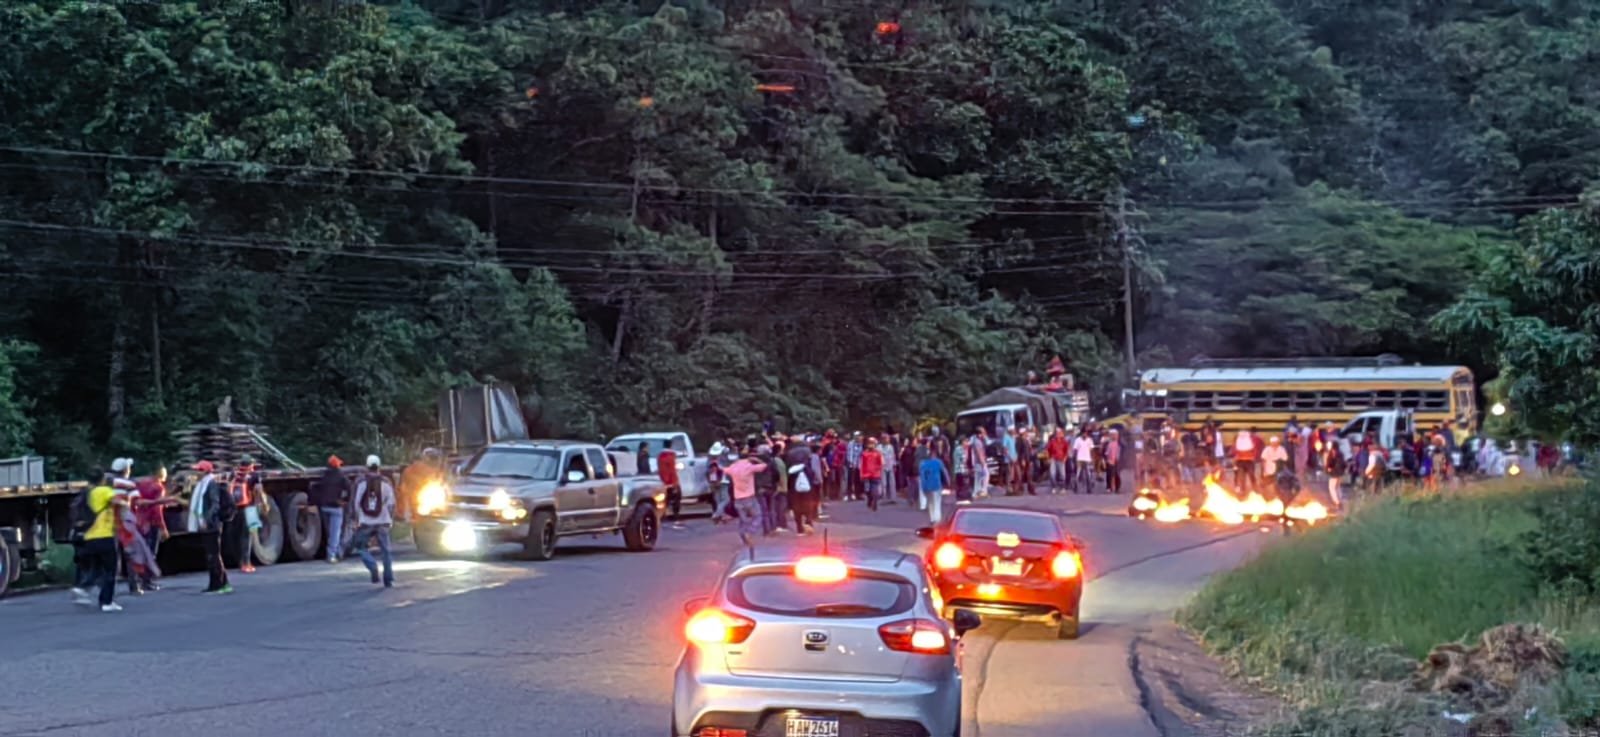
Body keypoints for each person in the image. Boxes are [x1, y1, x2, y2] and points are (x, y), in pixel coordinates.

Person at [80, 471, 130, 612]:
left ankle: (83, 588)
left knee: (96, 568)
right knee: (110, 570)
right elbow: (117, 501)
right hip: (104, 535)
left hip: (89, 535)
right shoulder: (104, 490)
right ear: (102, 479)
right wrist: (125, 504)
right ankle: (106, 601)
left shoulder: (89, 493)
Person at [350, 455, 396, 588]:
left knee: (361, 547)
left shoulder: (361, 483)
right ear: (379, 467)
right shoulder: (386, 483)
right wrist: (390, 518)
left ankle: (372, 566)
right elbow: (391, 503)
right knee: (386, 551)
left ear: (367, 467)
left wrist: (356, 519)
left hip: (366, 522)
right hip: (383, 522)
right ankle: (388, 579)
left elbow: (356, 503)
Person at [128, 466, 173, 594]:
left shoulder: (142, 484)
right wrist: (163, 527)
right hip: (151, 523)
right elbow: (157, 509)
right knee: (150, 553)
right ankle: (146, 581)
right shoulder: (158, 487)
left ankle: (134, 583)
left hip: (139, 521)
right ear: (161, 474)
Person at [723, 448, 769, 548]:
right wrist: (756, 460)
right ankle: (750, 532)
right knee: (758, 516)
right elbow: (764, 466)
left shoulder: (733, 468)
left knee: (743, 520)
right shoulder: (749, 467)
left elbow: (724, 470)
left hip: (738, 499)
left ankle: (744, 538)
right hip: (749, 497)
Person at [311, 456, 352, 563]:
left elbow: (314, 487)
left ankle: (338, 553)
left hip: (324, 507)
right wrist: (345, 500)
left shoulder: (324, 476)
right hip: (336, 507)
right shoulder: (341, 476)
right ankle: (332, 555)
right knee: (336, 533)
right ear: (337, 465)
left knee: (330, 532)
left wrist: (313, 502)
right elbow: (349, 488)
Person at [229, 456, 265, 573]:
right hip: (250, 508)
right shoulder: (254, 475)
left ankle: (240, 562)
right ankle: (246, 564)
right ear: (251, 464)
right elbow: (258, 490)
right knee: (247, 536)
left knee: (236, 535)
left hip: (235, 508)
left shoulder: (234, 474)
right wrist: (263, 504)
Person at [918, 448, 951, 525]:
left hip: (926, 486)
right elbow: (944, 471)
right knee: (937, 502)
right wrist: (948, 481)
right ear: (934, 455)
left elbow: (921, 475)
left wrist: (922, 487)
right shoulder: (938, 462)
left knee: (930, 502)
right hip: (936, 485)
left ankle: (932, 518)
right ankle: (937, 519)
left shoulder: (922, 463)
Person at [658, 447, 684, 529]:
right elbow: (672, 472)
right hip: (672, 483)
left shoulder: (660, 458)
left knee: (665, 501)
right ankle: (676, 517)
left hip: (663, 483)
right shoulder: (671, 457)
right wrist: (674, 483)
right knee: (676, 500)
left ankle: (662, 517)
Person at [860, 437, 886, 511]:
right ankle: (870, 499)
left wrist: (879, 468)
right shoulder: (864, 454)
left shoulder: (878, 453)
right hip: (866, 474)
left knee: (874, 490)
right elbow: (862, 465)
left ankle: (874, 502)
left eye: (872, 444)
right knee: (867, 490)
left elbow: (882, 463)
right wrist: (861, 474)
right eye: (870, 444)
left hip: (875, 474)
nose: (871, 445)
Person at [1234, 429, 1260, 493]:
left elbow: (1254, 450)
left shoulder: (1250, 441)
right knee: (1242, 476)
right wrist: (1235, 463)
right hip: (1240, 461)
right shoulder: (1238, 441)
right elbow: (1235, 452)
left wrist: (1253, 457)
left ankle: (1255, 489)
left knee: (1251, 475)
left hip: (1249, 461)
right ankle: (1243, 490)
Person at [1071, 429, 1095, 494]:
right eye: (1084, 433)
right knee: (1077, 474)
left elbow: (1092, 450)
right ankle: (1075, 487)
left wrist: (1092, 459)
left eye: (1086, 434)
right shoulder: (1077, 440)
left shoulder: (1089, 440)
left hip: (1087, 459)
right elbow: (1075, 450)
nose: (1085, 435)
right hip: (1079, 459)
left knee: (1088, 475)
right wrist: (1074, 459)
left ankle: (1089, 489)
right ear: (1081, 434)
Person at [1046, 428, 1070, 494]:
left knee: (1062, 474)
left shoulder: (1064, 442)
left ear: (1062, 434)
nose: (1058, 434)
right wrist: (1048, 458)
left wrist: (1065, 458)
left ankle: (1062, 488)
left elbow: (1067, 451)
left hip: (1061, 459)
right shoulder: (1052, 441)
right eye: (1057, 433)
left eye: (1059, 433)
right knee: (1052, 473)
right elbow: (1048, 450)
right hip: (1053, 459)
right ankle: (1054, 487)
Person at [1102, 429, 1123, 494]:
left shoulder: (1120, 443)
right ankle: (1108, 487)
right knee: (1109, 474)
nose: (1114, 436)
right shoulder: (1107, 443)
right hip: (1109, 460)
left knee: (1117, 474)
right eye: (1112, 435)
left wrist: (1121, 460)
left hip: (1117, 461)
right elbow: (1103, 452)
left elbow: (1123, 452)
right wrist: (1105, 459)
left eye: (1115, 435)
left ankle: (1117, 488)